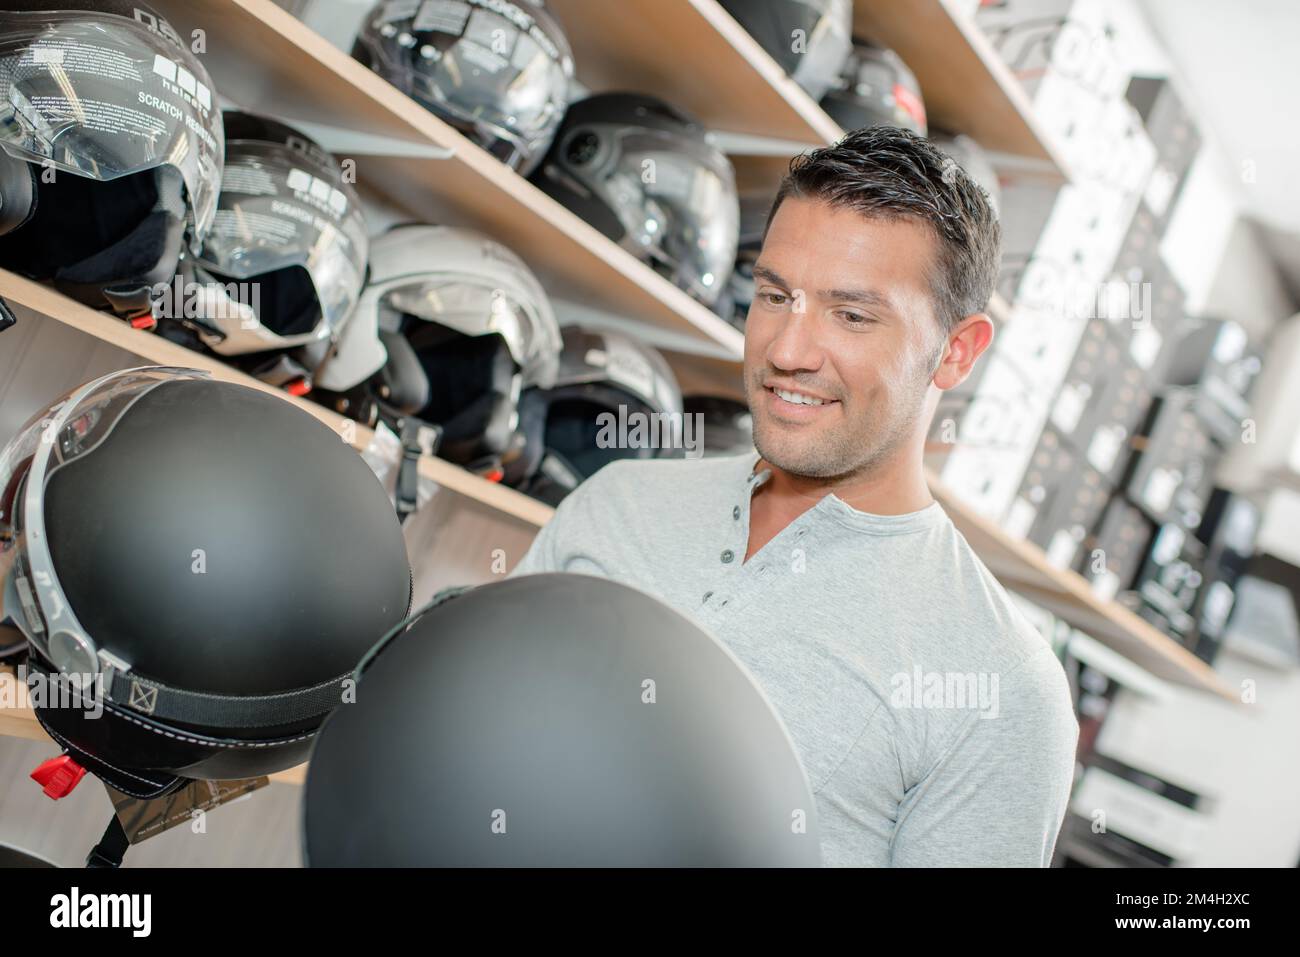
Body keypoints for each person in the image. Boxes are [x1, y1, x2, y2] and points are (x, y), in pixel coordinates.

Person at [510, 126, 1079, 867]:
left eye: (852, 315)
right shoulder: (617, 500)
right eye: (775, 295)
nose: (786, 350)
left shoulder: (1004, 688)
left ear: (957, 351)